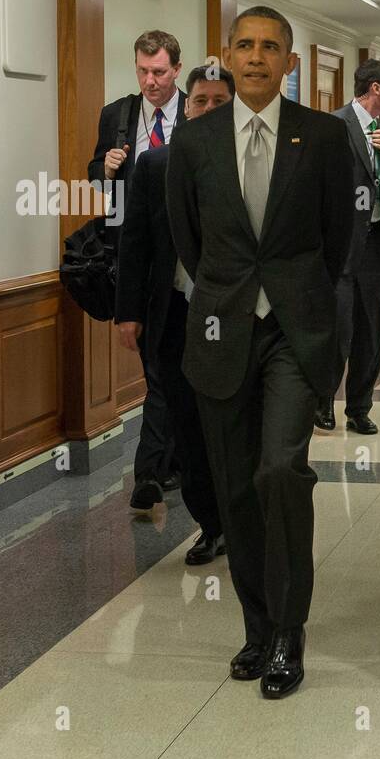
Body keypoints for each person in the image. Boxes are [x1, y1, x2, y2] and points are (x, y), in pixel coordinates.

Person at [166, 6, 354, 698]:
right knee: (236, 485)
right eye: (243, 45)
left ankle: (289, 631)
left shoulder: (325, 136)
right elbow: (192, 241)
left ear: (290, 62)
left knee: (280, 470)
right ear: (225, 53)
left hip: (293, 333)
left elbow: (339, 240)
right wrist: (231, 291)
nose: (254, 57)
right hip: (221, 332)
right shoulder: (196, 141)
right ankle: (257, 624)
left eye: (269, 47)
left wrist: (293, 292)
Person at [116, 65, 232, 566]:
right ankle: (212, 525)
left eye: (218, 102)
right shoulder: (155, 166)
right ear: (186, 107)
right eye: (200, 101)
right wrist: (128, 313)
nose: (207, 109)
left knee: (232, 426)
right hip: (177, 314)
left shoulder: (252, 166)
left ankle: (245, 517)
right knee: (187, 427)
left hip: (236, 316)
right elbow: (135, 244)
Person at [88, 29, 186, 513]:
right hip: (135, 257)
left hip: (187, 265)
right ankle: (155, 469)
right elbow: (93, 175)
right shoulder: (119, 115)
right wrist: (104, 168)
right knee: (159, 371)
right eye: (143, 72)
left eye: (160, 72)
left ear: (176, 71)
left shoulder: (198, 112)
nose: (150, 81)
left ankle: (164, 465)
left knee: (172, 373)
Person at [317, 60, 380, 434]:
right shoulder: (333, 126)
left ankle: (358, 408)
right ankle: (323, 402)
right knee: (338, 331)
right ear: (375, 88)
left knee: (372, 335)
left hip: (377, 246)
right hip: (341, 247)